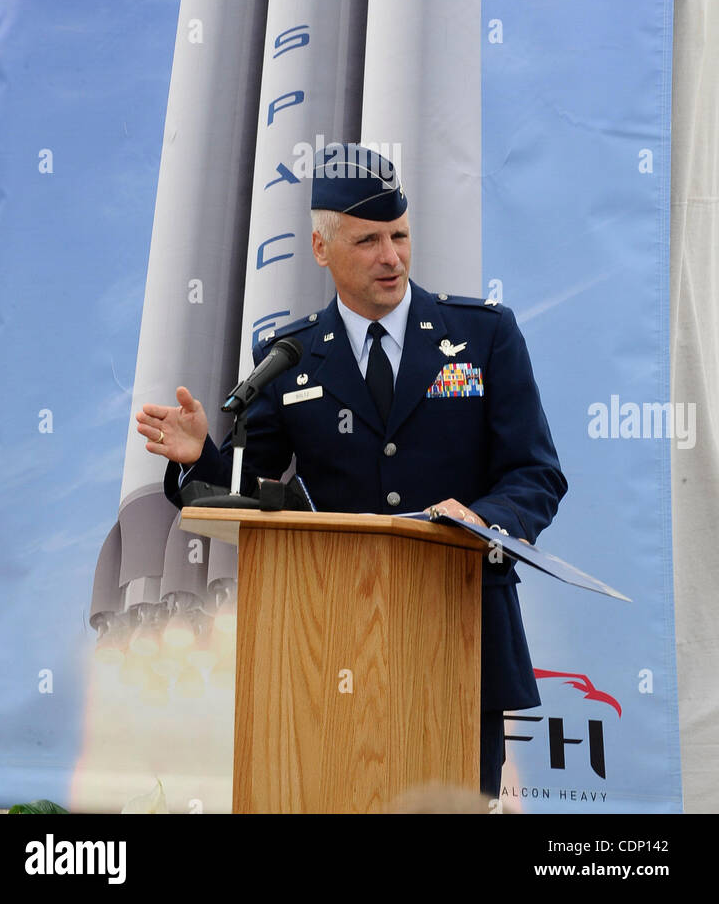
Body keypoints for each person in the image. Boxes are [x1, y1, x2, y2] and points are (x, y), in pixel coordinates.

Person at [136, 143, 567, 795]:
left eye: (399, 235)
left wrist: (483, 519)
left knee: (452, 806)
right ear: (320, 248)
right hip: (331, 635)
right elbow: (259, 494)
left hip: (461, 625)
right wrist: (204, 457)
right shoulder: (288, 355)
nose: (391, 257)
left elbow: (535, 474)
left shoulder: (483, 335)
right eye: (368, 241)